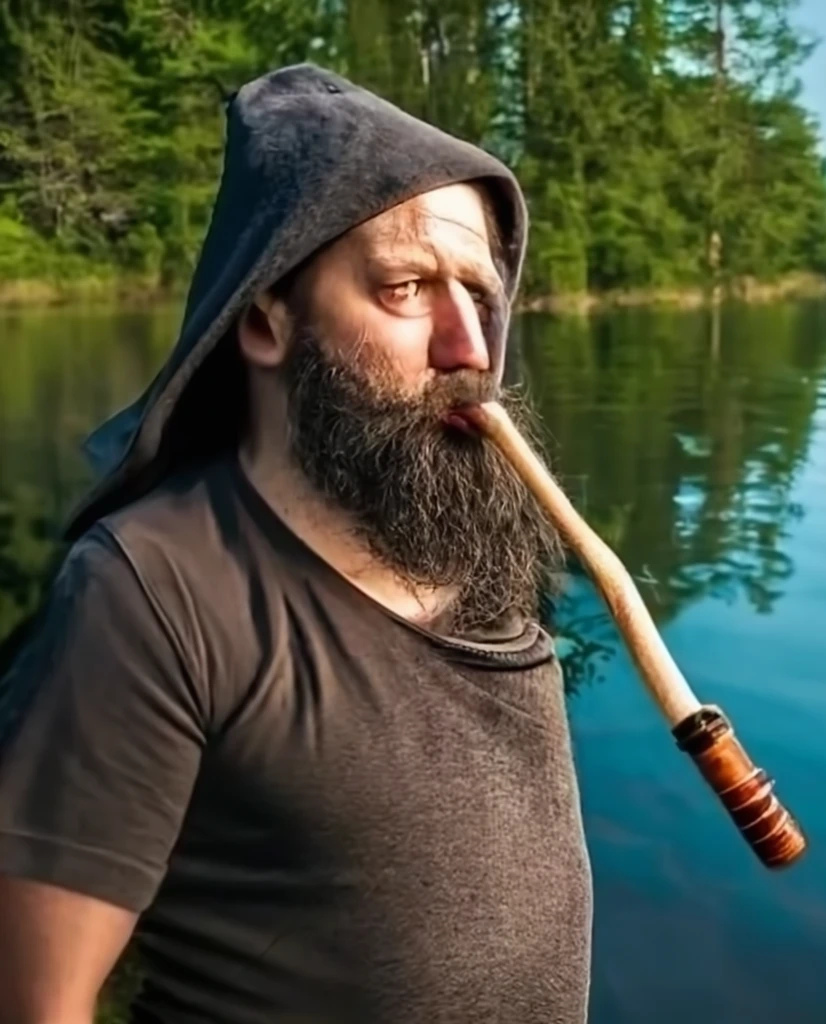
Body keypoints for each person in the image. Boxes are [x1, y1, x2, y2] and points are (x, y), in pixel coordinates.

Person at [0, 64, 593, 1024]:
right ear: (268, 321)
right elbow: (37, 1005)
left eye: (482, 296)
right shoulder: (152, 591)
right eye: (407, 288)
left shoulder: (460, 532)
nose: (470, 348)